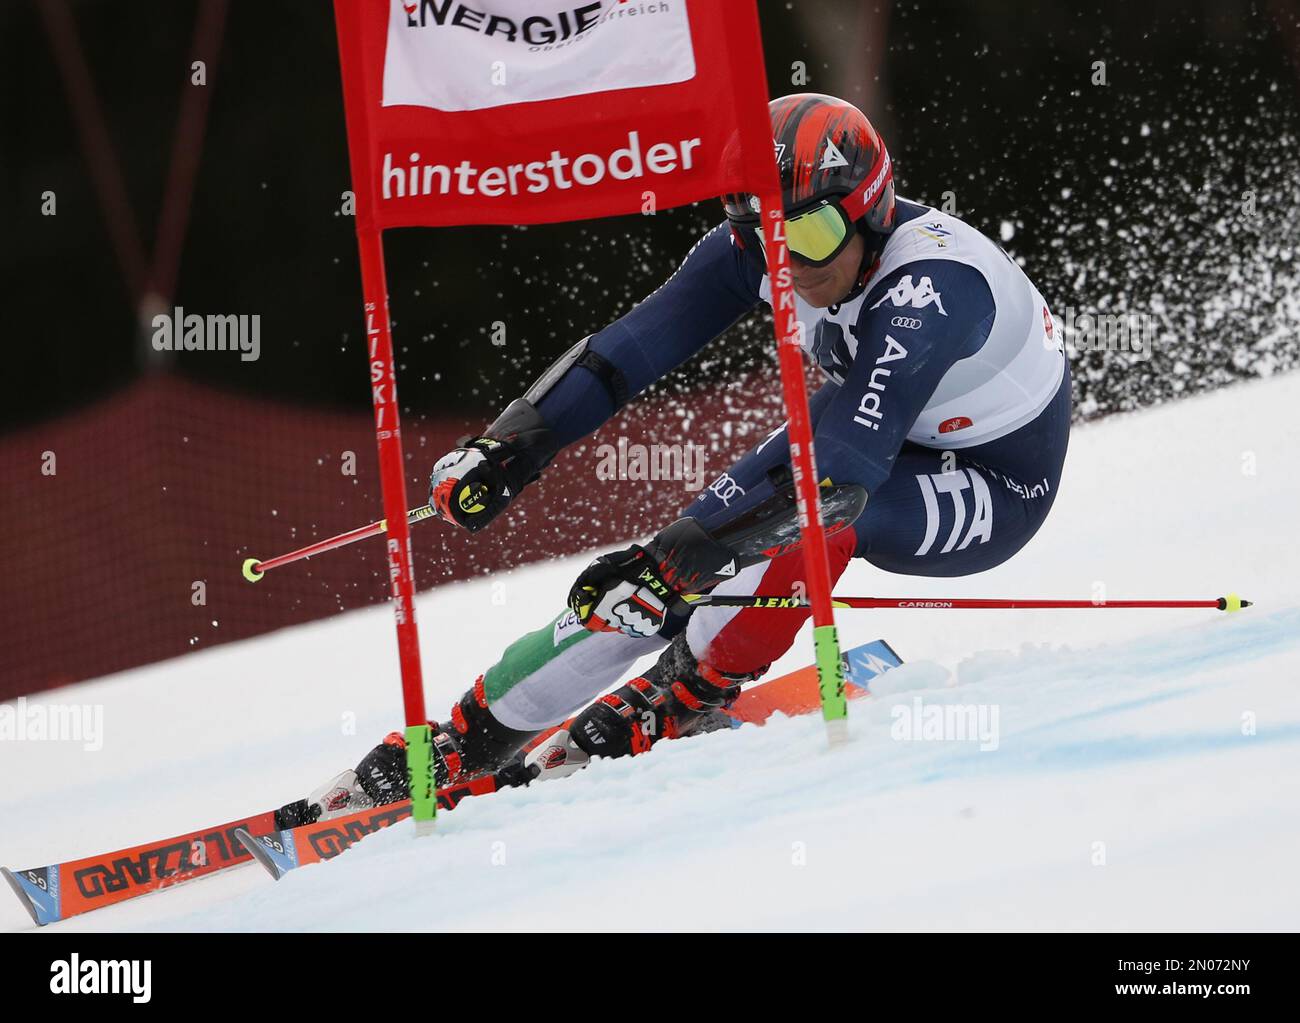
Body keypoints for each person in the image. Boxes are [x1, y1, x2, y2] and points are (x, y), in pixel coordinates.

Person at [279, 92, 1070, 826]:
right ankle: (477, 730)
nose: (788, 263)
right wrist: (510, 446)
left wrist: (672, 563)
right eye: (763, 237)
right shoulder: (765, 248)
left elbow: (843, 474)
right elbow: (627, 352)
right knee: (670, 560)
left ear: (872, 210)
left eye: (814, 235)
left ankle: (690, 686)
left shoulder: (930, 285)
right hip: (868, 426)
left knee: (777, 527)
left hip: (992, 480)